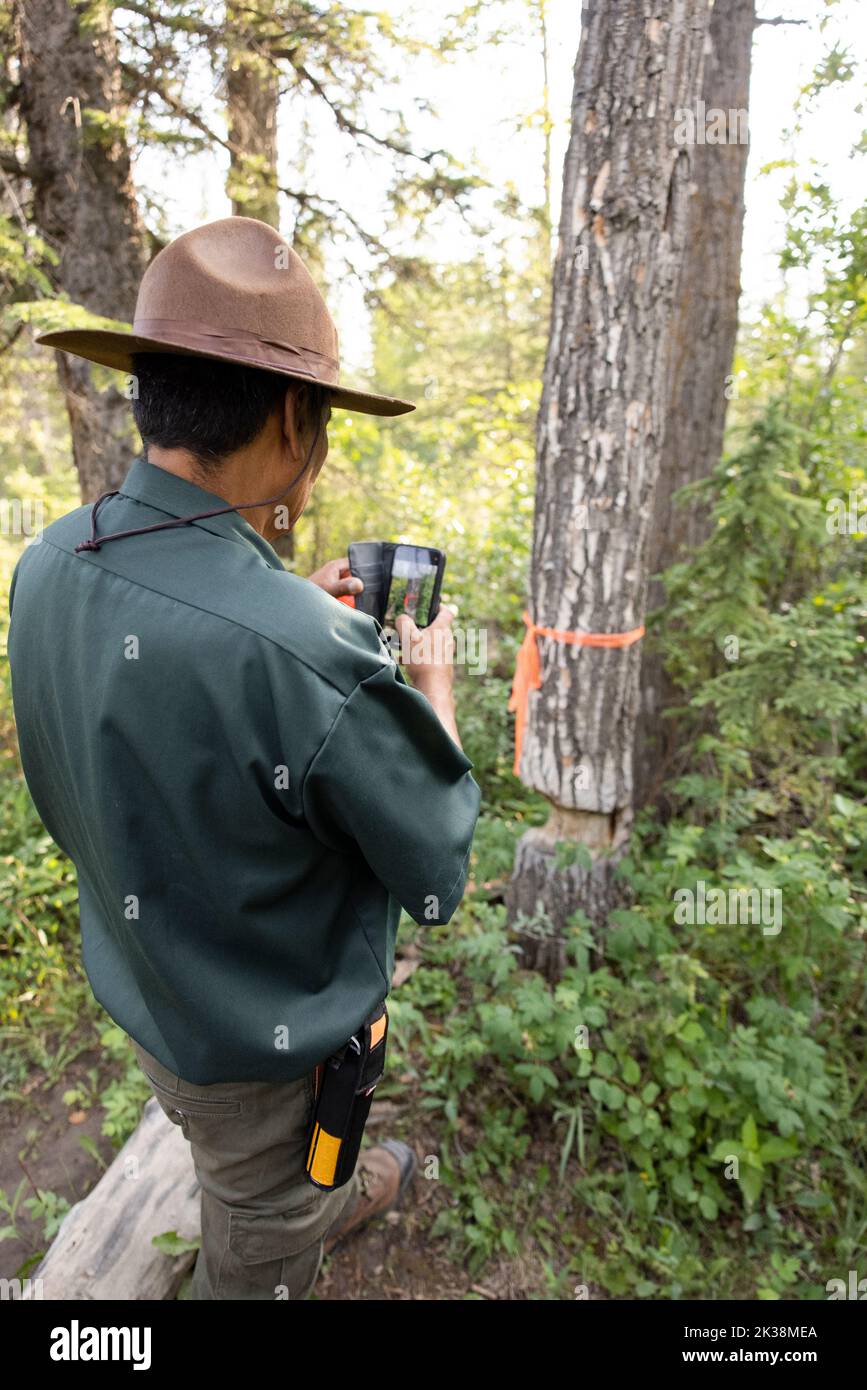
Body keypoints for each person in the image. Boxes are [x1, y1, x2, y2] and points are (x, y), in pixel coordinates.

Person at [8, 216, 480, 1300]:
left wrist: (277, 620)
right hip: (259, 1064)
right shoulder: (313, 654)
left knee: (245, 1162)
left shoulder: (48, 561)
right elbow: (439, 862)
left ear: (154, 395)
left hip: (142, 995)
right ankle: (285, 1224)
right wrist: (427, 684)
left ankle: (320, 1192)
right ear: (288, 414)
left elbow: (140, 720)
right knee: (260, 1244)